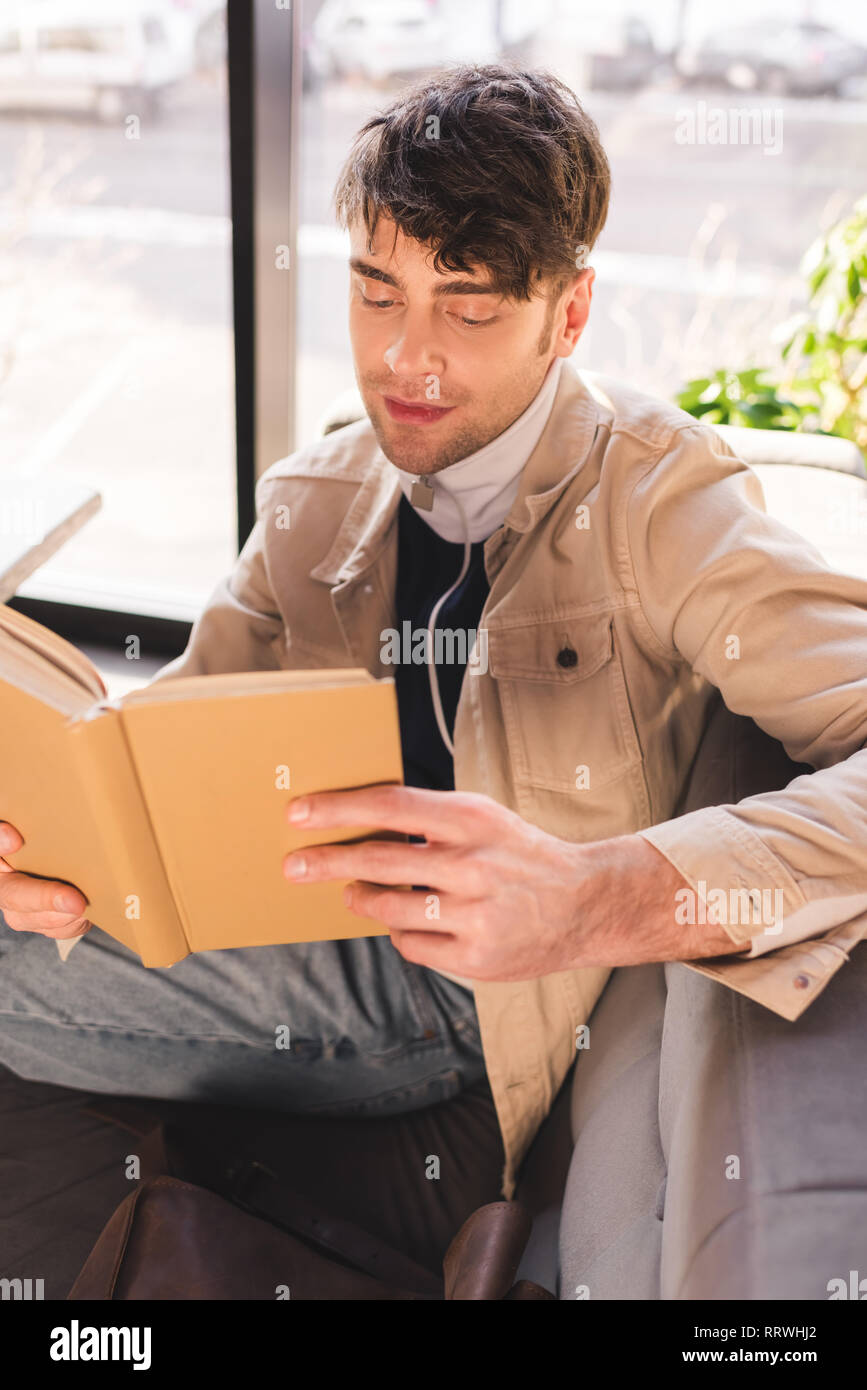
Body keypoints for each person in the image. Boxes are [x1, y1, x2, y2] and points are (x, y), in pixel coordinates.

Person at [1, 65, 866, 1221]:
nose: (407, 360)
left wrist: (599, 896)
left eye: (467, 308)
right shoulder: (317, 492)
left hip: (458, 998)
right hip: (287, 903)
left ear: (570, 313)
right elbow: (150, 767)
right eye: (375, 293)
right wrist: (59, 862)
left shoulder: (661, 504)